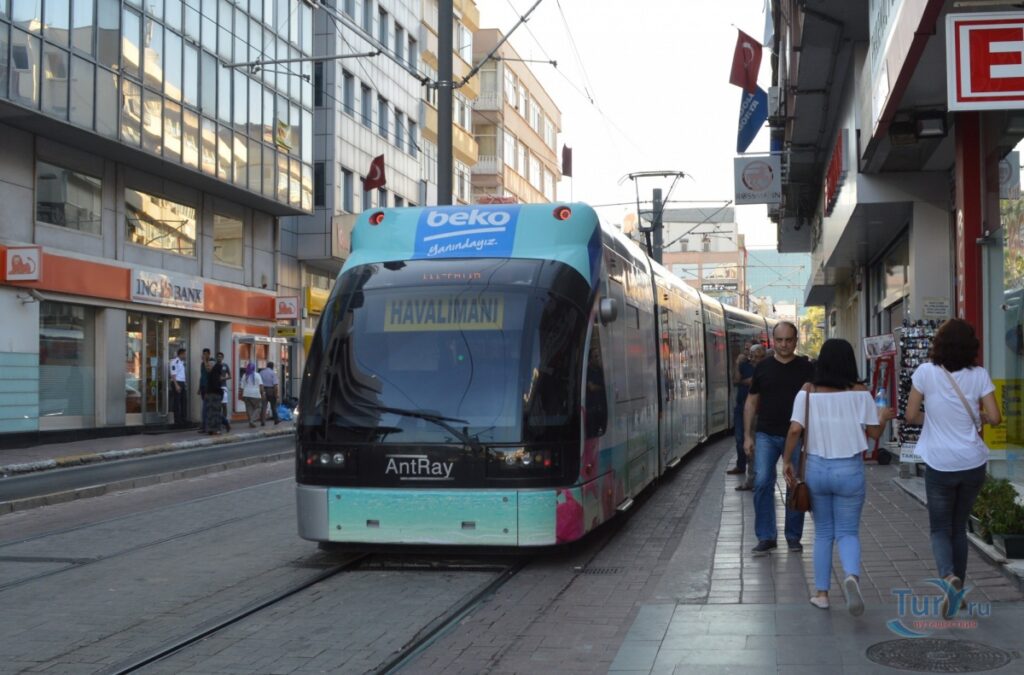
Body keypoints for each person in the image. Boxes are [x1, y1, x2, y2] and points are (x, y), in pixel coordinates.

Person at [782, 339, 894, 614]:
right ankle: (851, 577)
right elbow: (875, 435)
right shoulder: (861, 394)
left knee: (823, 533)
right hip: (850, 469)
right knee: (848, 531)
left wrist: (787, 460)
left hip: (817, 469)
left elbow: (796, 429)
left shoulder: (806, 393)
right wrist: (884, 417)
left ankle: (821, 594)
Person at [905, 318, 1000, 619]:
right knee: (959, 529)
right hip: (973, 462)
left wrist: (932, 420)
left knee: (939, 529)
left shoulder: (925, 372)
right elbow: (996, 417)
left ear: (939, 344)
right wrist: (979, 416)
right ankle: (958, 593)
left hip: (940, 463)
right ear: (971, 346)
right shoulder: (980, 375)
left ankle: (948, 577)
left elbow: (910, 415)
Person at [743, 321, 815, 556]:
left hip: (796, 435)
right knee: (762, 481)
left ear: (796, 340)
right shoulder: (762, 367)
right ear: (773, 341)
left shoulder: (807, 367)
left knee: (795, 484)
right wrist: (747, 436)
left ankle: (793, 536)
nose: (784, 345)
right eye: (780, 340)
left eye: (789, 340)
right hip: (765, 433)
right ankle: (766, 536)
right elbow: (752, 401)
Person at [736, 344, 766, 491]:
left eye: (758, 357)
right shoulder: (746, 367)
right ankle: (752, 480)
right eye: (753, 356)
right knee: (752, 450)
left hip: (763, 415)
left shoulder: (765, 370)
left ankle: (757, 481)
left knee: (759, 451)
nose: (754, 359)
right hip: (752, 414)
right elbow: (736, 380)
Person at [727, 341, 759, 476]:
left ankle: (753, 471)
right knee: (740, 438)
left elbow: (756, 381)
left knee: (754, 440)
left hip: (756, 409)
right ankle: (741, 465)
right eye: (746, 350)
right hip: (741, 406)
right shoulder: (743, 364)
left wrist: (748, 381)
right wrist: (736, 364)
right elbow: (735, 381)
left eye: (750, 351)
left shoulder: (762, 366)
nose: (747, 353)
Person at [205, 352, 231, 434]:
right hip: (211, 394)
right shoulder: (211, 373)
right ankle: (211, 429)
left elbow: (216, 384)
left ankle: (218, 427)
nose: (207, 367)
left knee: (216, 412)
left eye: (209, 365)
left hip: (216, 394)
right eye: (207, 365)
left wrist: (219, 392)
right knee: (210, 412)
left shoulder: (216, 372)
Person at [240, 362, 263, 427]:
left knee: (249, 409)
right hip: (256, 394)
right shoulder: (257, 375)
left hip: (246, 394)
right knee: (258, 408)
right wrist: (262, 393)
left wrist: (241, 395)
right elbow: (261, 386)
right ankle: (252, 420)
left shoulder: (245, 375)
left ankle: (251, 421)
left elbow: (241, 387)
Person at [169, 348, 188, 426]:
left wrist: (185, 383)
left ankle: (183, 419)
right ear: (181, 354)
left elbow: (182, 373)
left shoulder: (182, 362)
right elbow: (173, 374)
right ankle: (177, 420)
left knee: (184, 401)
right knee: (177, 402)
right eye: (185, 354)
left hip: (182, 382)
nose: (185, 355)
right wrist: (176, 385)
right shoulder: (174, 362)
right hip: (177, 382)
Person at [259, 361, 281, 425]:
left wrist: (261, 392)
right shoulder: (273, 373)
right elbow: (275, 386)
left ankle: (262, 421)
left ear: (267, 366)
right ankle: (276, 420)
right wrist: (276, 394)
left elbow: (259, 383)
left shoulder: (261, 372)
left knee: (263, 407)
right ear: (272, 367)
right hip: (271, 390)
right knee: (273, 406)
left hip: (263, 390)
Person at [197, 348, 211, 433]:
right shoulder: (202, 364)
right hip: (203, 386)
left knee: (206, 408)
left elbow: (208, 370)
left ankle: (205, 427)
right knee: (205, 407)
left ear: (209, 354)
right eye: (203, 354)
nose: (204, 355)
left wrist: (205, 361)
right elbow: (202, 375)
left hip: (208, 387)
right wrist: (199, 387)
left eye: (206, 354)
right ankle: (204, 426)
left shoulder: (211, 362)